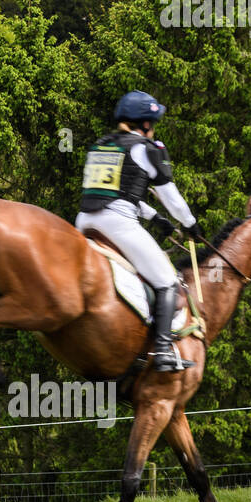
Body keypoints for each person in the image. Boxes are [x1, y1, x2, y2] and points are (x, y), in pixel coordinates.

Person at [76, 91, 199, 369]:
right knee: (167, 279)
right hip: (116, 223)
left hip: (84, 221)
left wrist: (155, 219)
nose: (154, 128)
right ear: (144, 123)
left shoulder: (101, 145)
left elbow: (122, 193)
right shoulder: (145, 148)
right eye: (152, 123)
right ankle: (164, 351)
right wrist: (190, 224)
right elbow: (173, 200)